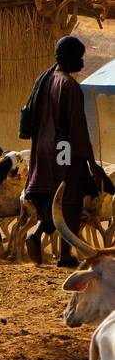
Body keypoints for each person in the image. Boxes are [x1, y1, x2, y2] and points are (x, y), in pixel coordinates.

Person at [23, 35, 110, 267]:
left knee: (53, 195)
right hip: (64, 150)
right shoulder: (69, 86)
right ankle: (65, 254)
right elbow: (77, 130)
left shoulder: (44, 79)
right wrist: (92, 164)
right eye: (79, 59)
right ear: (69, 58)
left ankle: (36, 233)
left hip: (42, 148)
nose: (82, 64)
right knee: (70, 197)